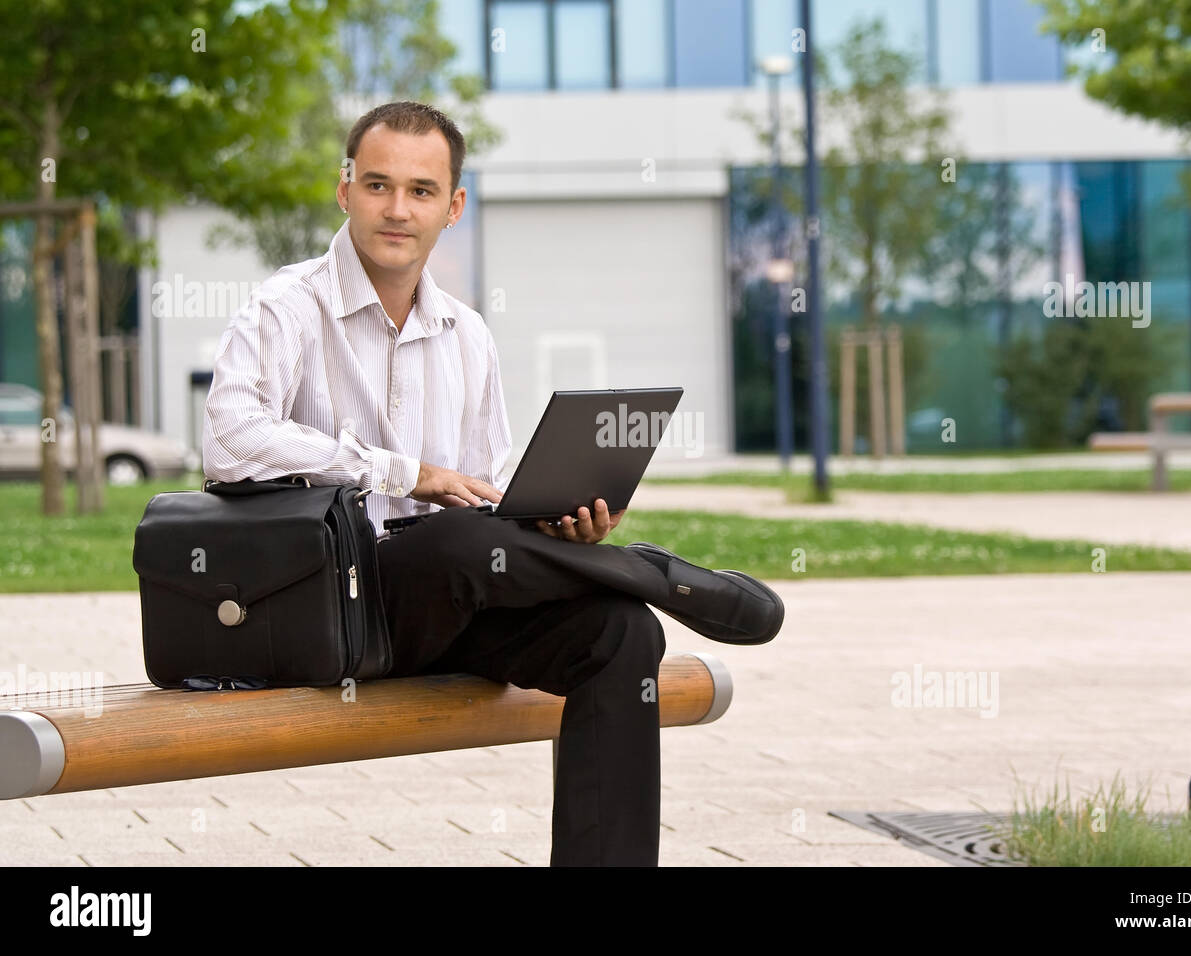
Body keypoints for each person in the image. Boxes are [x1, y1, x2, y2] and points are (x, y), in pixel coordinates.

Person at [201, 101, 784, 867]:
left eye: (420, 190)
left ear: (454, 206)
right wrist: (404, 473)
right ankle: (656, 573)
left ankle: (627, 581)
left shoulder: (467, 333)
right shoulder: (287, 307)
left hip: (451, 602)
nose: (397, 209)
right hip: (326, 613)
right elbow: (227, 440)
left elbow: (488, 483)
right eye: (377, 186)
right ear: (343, 191)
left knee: (622, 633)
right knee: (455, 537)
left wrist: (554, 521)